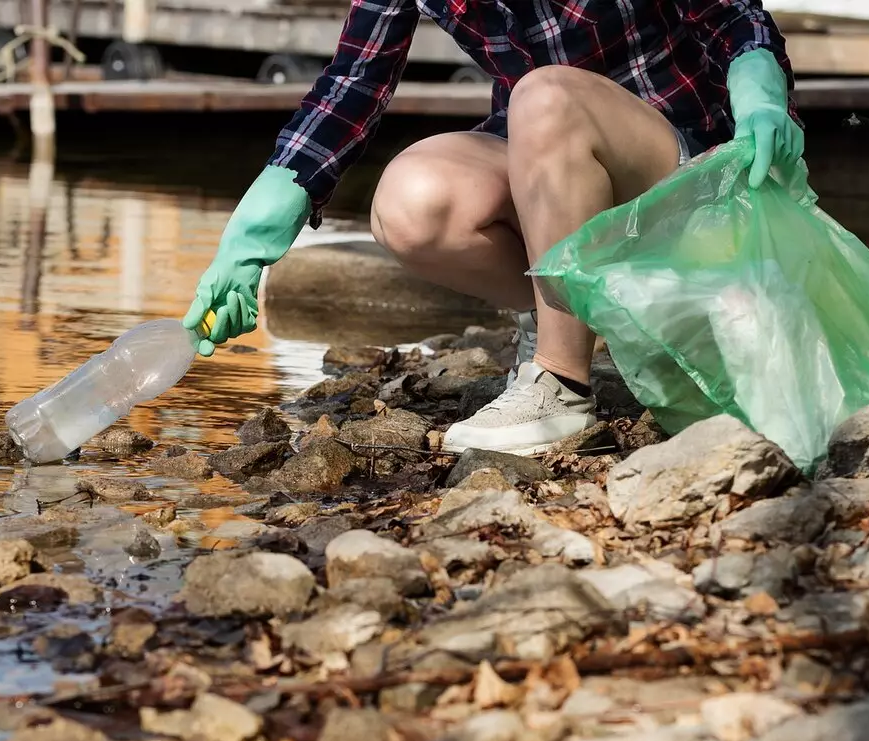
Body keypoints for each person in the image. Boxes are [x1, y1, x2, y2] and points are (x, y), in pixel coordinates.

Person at [183, 0, 805, 456]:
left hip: (689, 172)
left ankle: (561, 381)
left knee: (545, 96)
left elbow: (732, 16)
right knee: (412, 202)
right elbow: (353, 82)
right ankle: (595, 325)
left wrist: (761, 93)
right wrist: (250, 241)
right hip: (549, 166)